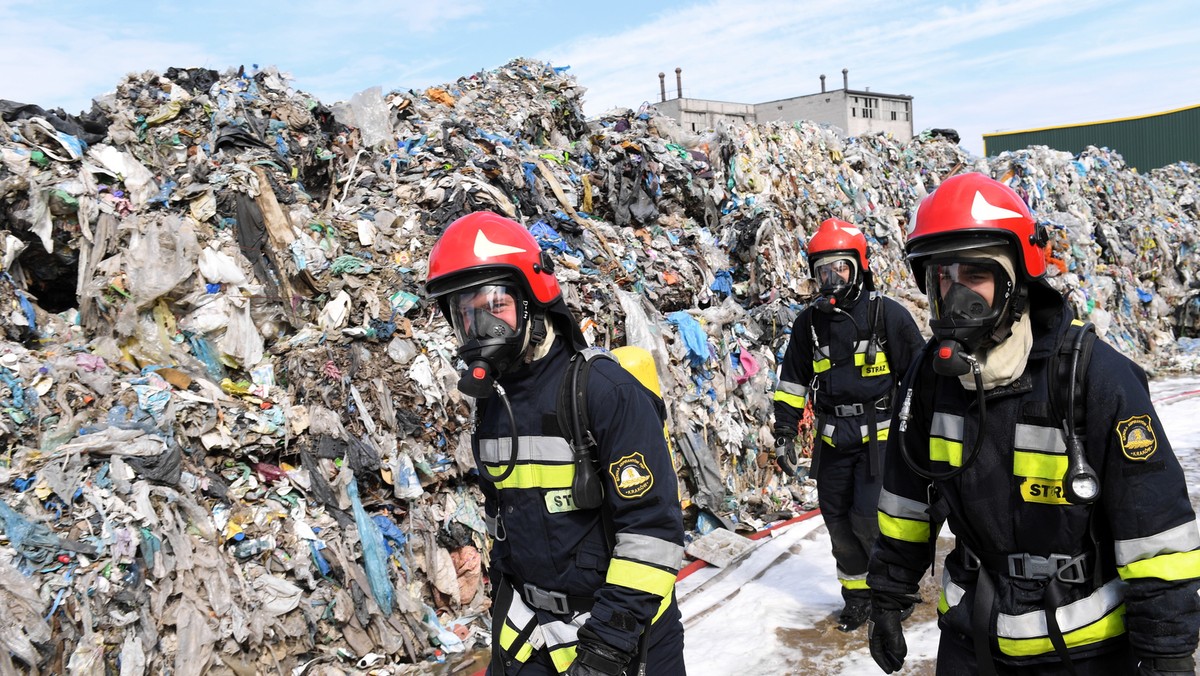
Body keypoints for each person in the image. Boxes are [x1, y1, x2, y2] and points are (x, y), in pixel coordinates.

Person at [866, 172, 1200, 675]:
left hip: (1083, 649)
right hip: (972, 638)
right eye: (942, 277)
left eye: (974, 276)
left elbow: (1154, 534)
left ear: (1017, 280)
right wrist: (888, 598)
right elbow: (906, 502)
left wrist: (1168, 653)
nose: (956, 298)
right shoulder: (929, 381)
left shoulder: (1094, 378)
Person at [425, 211, 686, 676]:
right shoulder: (495, 402)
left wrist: (607, 649)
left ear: (531, 299)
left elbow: (652, 535)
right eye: (466, 315)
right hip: (532, 631)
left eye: (495, 307)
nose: (483, 330)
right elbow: (506, 520)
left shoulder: (604, 392)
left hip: (625, 637)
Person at [771, 217, 925, 631]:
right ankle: (857, 597)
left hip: (881, 445)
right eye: (824, 270)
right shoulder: (809, 324)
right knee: (838, 523)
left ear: (859, 266)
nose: (832, 278)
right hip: (833, 442)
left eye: (841, 267)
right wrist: (784, 432)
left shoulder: (887, 315)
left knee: (870, 521)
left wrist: (921, 435)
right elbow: (791, 383)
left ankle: (895, 593)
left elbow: (921, 379)